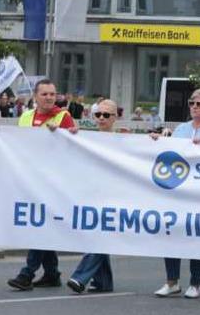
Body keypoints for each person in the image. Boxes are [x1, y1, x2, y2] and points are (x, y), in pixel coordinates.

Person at [152, 89, 200, 299]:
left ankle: (195, 283)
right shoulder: (181, 129)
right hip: (178, 191)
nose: (194, 107)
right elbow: (170, 154)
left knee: (197, 236)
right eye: (192, 103)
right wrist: (156, 141)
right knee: (172, 233)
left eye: (199, 104)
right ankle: (172, 281)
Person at [7, 79, 77, 291]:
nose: (49, 98)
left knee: (41, 225)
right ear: (36, 97)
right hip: (31, 179)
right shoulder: (26, 116)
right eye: (45, 94)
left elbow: (72, 145)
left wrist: (67, 133)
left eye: (52, 94)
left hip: (54, 181)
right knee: (42, 226)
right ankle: (51, 273)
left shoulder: (63, 116)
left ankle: (27, 274)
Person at [67, 99, 121, 294]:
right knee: (98, 236)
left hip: (115, 197)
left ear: (116, 117)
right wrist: (68, 136)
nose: (101, 118)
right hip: (93, 195)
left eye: (106, 115)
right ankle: (103, 282)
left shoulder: (124, 141)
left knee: (100, 236)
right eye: (98, 114)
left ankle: (80, 277)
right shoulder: (87, 139)